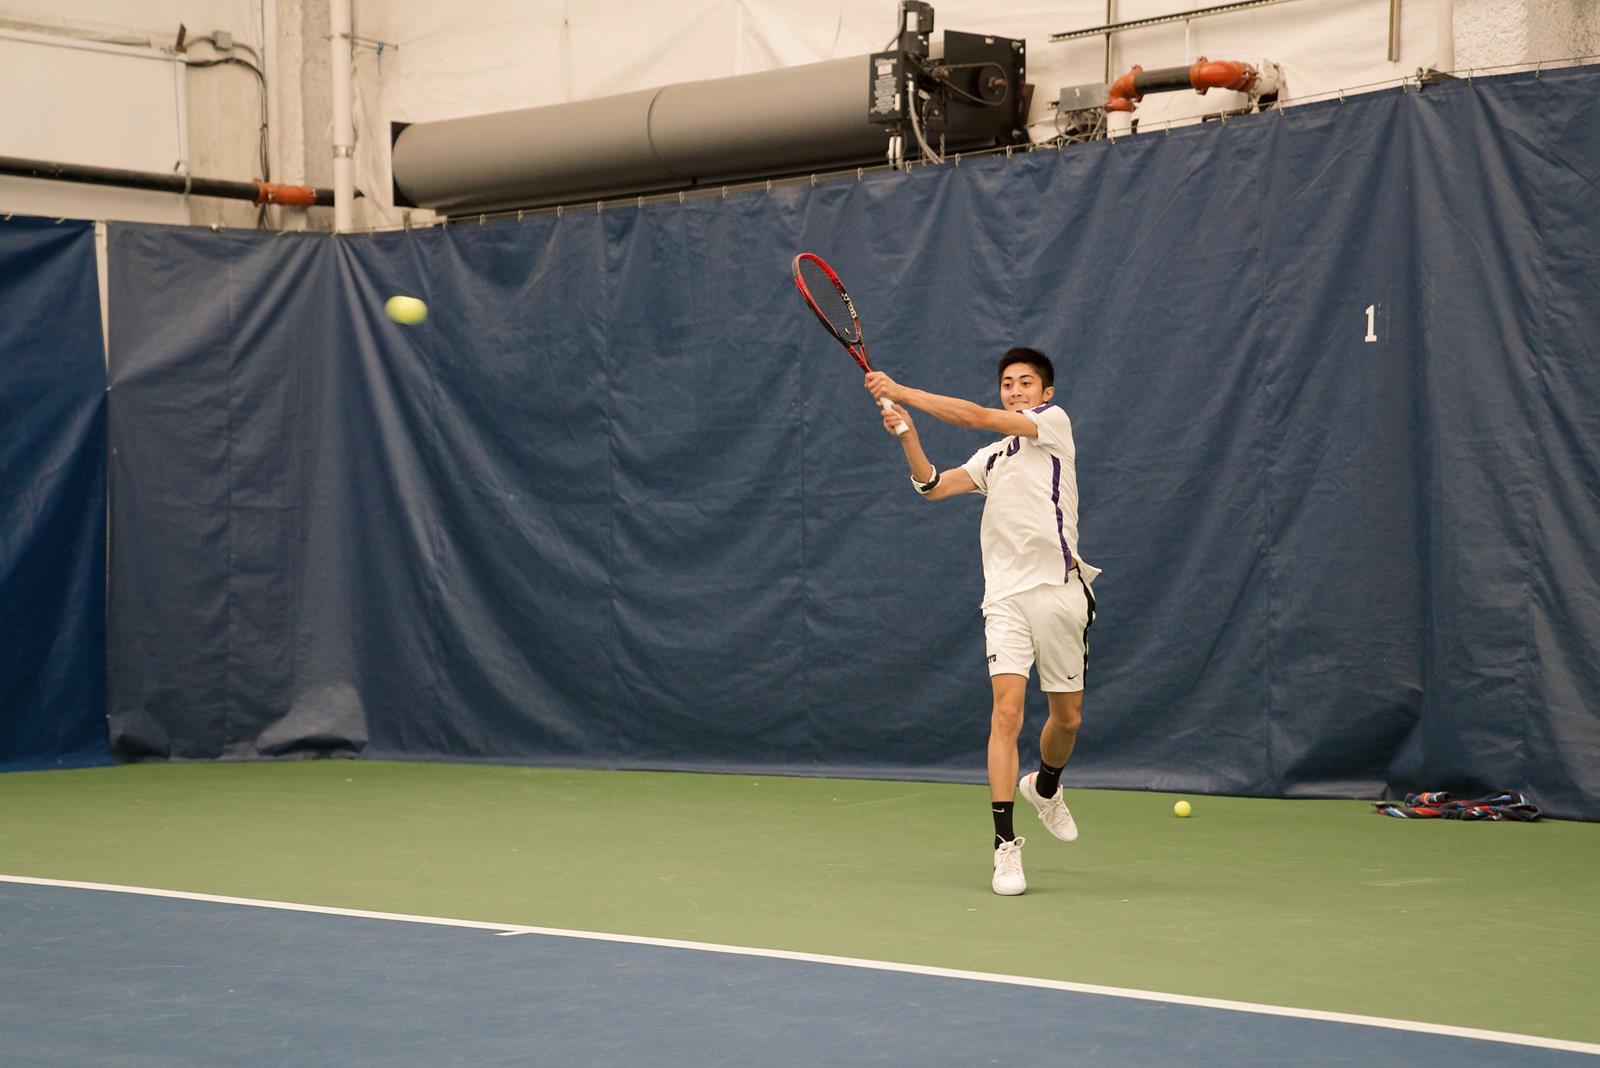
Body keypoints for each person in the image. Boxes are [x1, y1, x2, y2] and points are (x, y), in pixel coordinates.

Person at [864, 348, 1098, 896]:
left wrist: (903, 390)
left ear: (1046, 395)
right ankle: (1005, 847)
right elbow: (932, 486)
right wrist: (907, 435)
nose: (1015, 391)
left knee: (1067, 720)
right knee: (1006, 714)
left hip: (1062, 594)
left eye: (1026, 383)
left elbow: (973, 415)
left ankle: (1045, 786)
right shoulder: (992, 459)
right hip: (1006, 600)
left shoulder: (1052, 427)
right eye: (1008, 383)